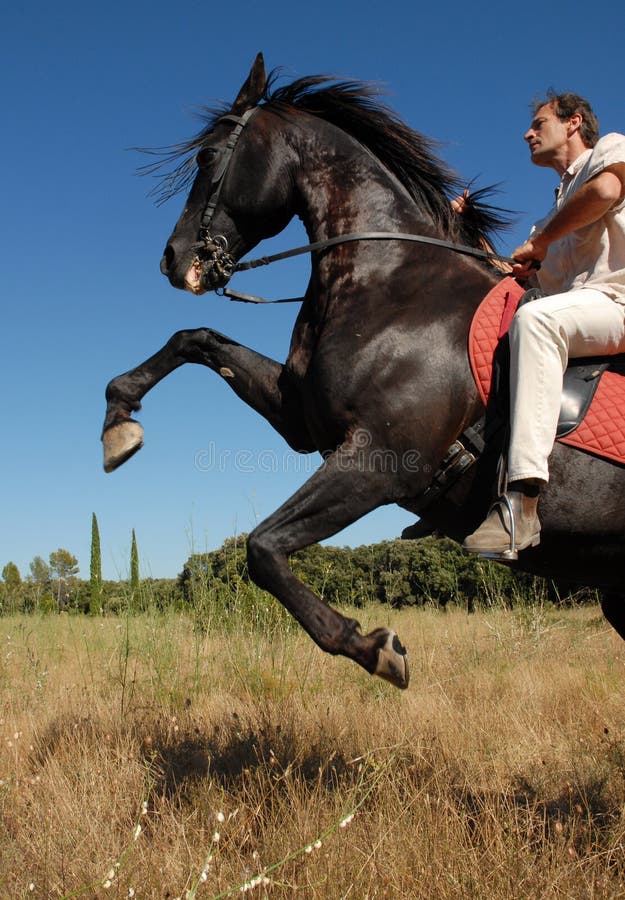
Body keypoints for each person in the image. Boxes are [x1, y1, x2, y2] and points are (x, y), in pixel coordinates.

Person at [462, 91, 625, 559]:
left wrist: (542, 242)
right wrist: (466, 229)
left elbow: (607, 192)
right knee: (517, 321)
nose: (527, 133)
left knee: (535, 320)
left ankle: (522, 503)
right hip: (584, 310)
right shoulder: (550, 216)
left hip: (618, 302)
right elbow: (513, 271)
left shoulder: (610, 150)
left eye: (538, 123)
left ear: (574, 123)